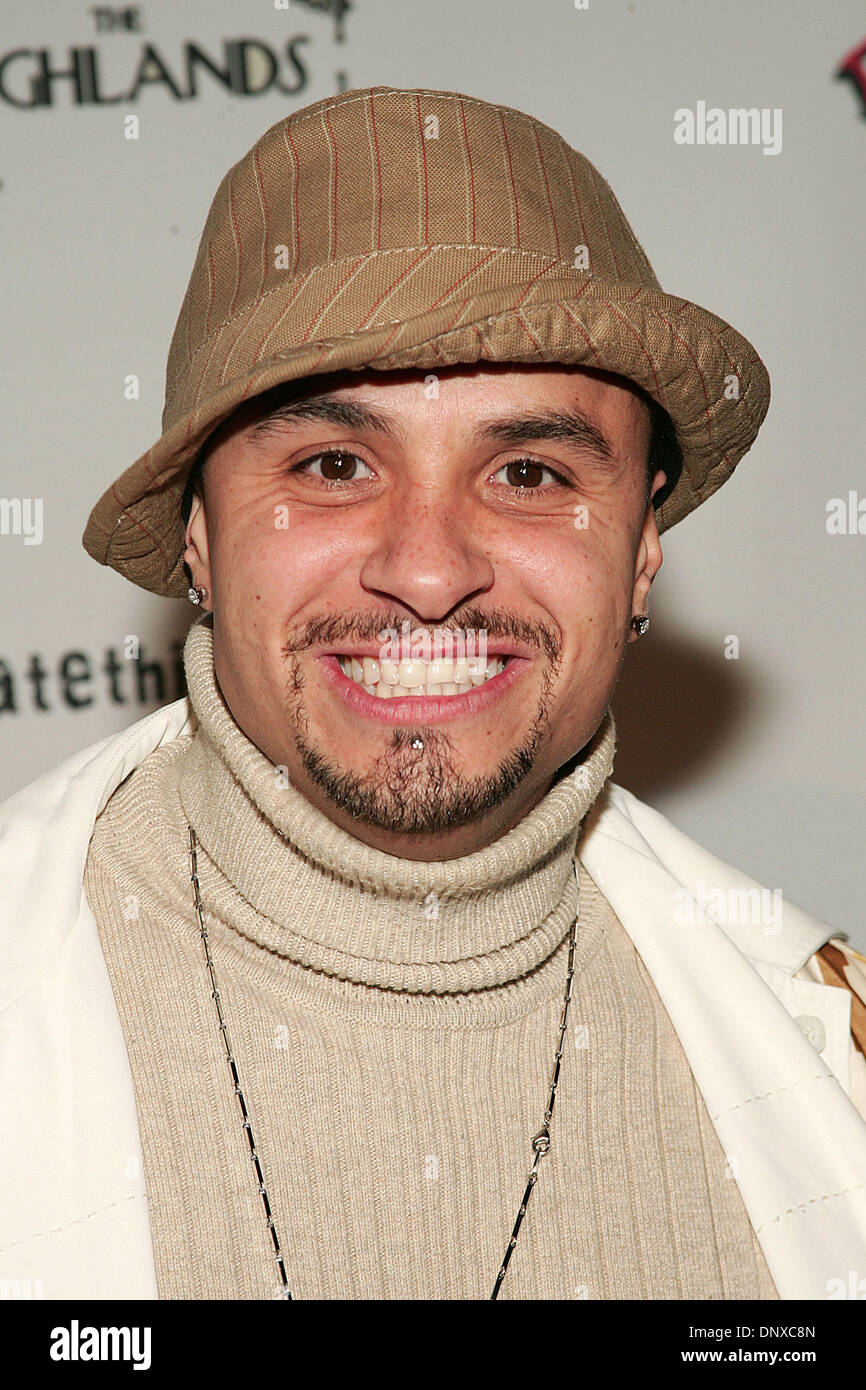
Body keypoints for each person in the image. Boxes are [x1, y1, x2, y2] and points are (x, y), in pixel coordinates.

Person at [2, 85, 865, 1302]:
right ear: (196, 535)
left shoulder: (833, 1057)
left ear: (641, 549)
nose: (426, 568)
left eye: (525, 470)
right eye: (334, 464)